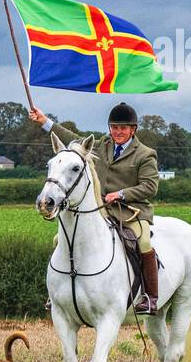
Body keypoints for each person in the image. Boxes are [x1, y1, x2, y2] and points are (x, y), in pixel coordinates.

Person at [29, 101, 160, 314]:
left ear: (133, 129)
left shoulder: (145, 154)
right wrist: (45, 122)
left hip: (131, 212)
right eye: (114, 127)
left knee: (143, 241)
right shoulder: (101, 145)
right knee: (59, 238)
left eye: (123, 128)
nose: (118, 132)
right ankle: (57, 293)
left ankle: (149, 297)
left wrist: (121, 194)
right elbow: (71, 138)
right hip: (99, 209)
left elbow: (150, 186)